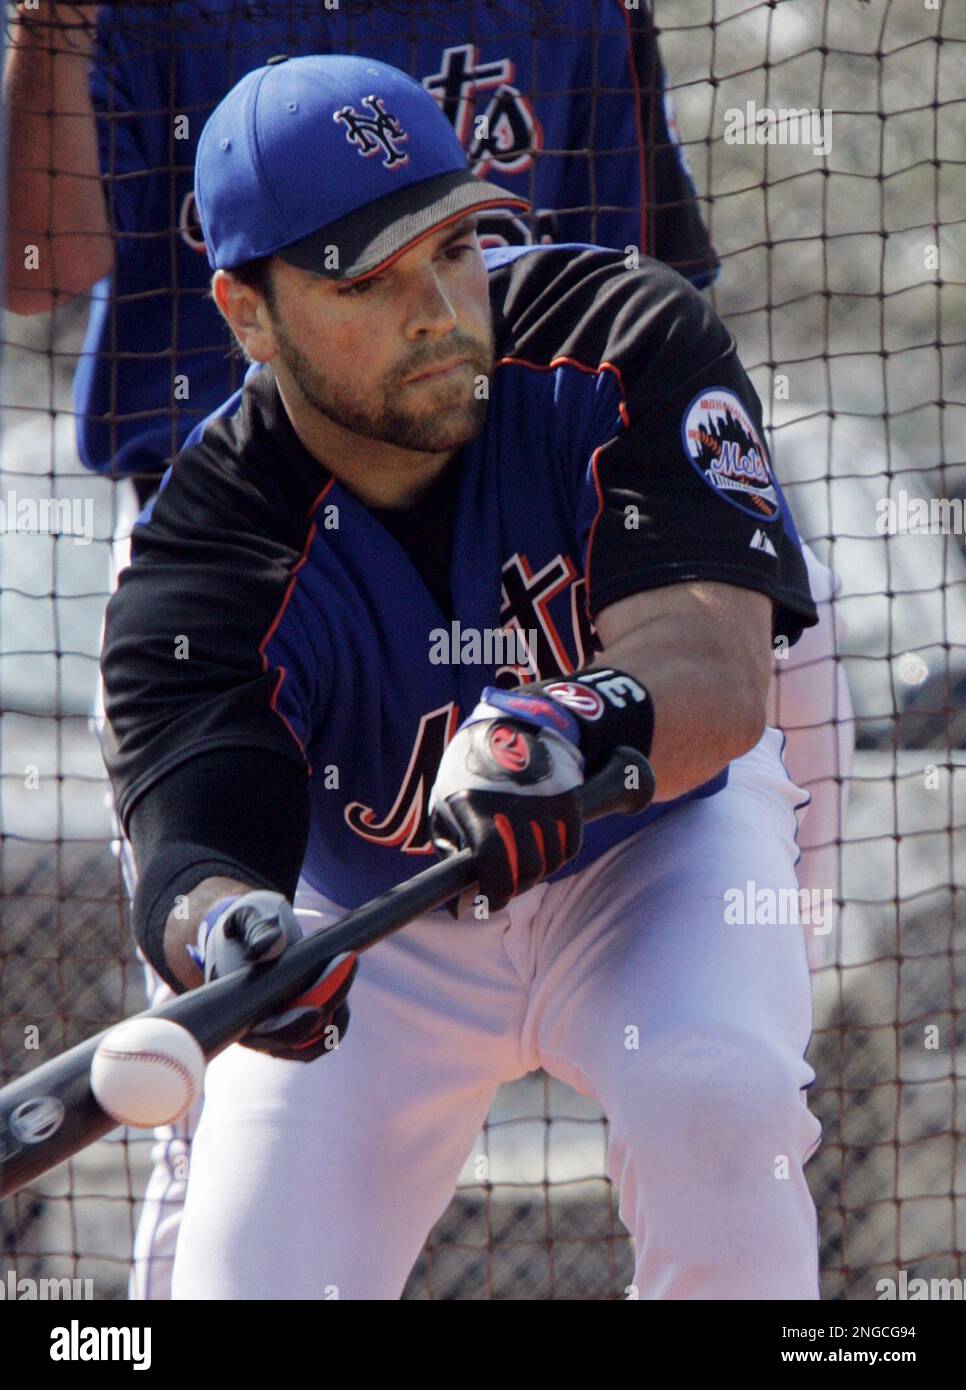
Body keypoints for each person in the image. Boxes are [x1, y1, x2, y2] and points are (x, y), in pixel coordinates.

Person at [100, 53, 824, 1301]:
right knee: (248, 1283)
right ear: (246, 312)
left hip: (648, 855)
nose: (438, 309)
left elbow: (719, 669)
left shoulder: (623, 337)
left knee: (722, 1097)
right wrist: (229, 931)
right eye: (366, 281)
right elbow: (194, 837)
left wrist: (569, 718)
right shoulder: (201, 552)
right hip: (371, 938)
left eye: (450, 249)